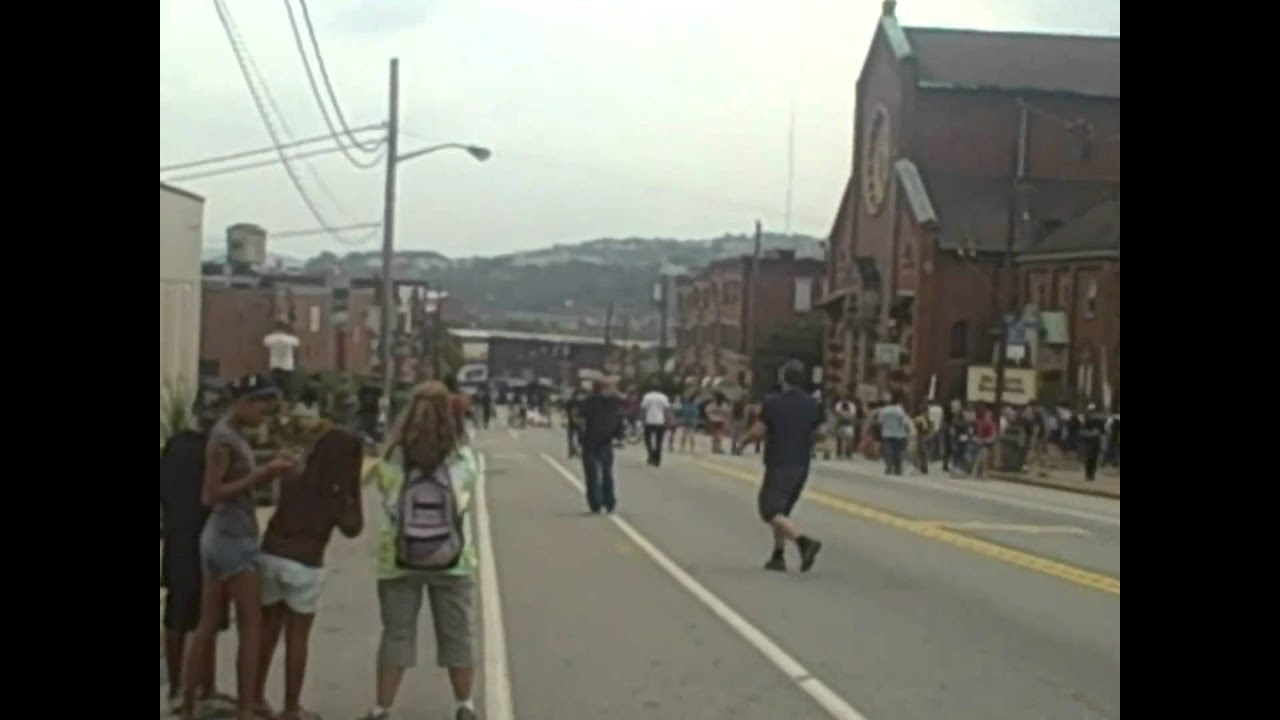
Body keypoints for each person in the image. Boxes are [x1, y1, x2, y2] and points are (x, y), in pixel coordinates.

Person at [358, 382, 481, 720]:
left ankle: (382, 707)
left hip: (398, 557)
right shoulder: (462, 457)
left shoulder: (392, 457)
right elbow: (464, 501)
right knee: (457, 634)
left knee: (396, 633)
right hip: (452, 558)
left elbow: (389, 501)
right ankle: (464, 705)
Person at [180, 374, 297, 720]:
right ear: (244, 402)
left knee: (208, 623)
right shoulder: (223, 440)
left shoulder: (231, 437)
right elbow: (211, 494)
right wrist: (263, 476)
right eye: (262, 407)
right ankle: (246, 708)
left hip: (221, 537)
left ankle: (189, 705)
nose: (265, 414)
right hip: (233, 539)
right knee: (251, 625)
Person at [253, 429, 364, 720]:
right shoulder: (335, 495)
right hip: (305, 564)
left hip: (271, 555)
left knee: (267, 632)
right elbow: (354, 529)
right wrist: (353, 489)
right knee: (297, 639)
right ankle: (290, 708)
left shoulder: (292, 479)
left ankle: (254, 697)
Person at [160, 392, 235, 718]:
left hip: (185, 536)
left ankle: (199, 688)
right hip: (194, 537)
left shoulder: (176, 446)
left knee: (203, 614)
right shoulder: (212, 448)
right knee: (190, 615)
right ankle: (186, 689)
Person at [741, 359, 824, 573]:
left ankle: (804, 542)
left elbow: (758, 431)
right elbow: (821, 434)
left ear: (782, 378)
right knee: (782, 513)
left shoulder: (772, 402)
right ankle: (778, 556)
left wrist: (742, 441)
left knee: (769, 510)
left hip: (779, 462)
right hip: (801, 463)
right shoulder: (812, 404)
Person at [580, 379, 624, 513]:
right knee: (607, 472)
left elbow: (581, 420)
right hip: (606, 440)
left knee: (592, 473)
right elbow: (618, 419)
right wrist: (619, 436)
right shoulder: (614, 402)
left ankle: (595, 503)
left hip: (590, 440)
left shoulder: (588, 402)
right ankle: (609, 501)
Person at [264, 321, 301, 402]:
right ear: (284, 329)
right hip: (287, 368)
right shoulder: (289, 339)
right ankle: (286, 407)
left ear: (275, 329)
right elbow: (297, 342)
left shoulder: (271, 339)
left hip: (275, 367)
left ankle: (276, 405)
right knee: (288, 390)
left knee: (274, 389)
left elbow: (265, 342)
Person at [877, 392, 909, 476]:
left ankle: (889, 467)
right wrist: (907, 432)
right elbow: (905, 422)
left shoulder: (884, 410)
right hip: (899, 434)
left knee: (888, 451)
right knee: (898, 452)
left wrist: (881, 431)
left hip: (887, 434)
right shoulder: (900, 410)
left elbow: (880, 422)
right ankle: (897, 468)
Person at [640, 385, 672, 467]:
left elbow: (643, 409)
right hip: (660, 421)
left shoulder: (647, 396)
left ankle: (650, 455)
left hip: (649, 421)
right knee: (659, 441)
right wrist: (668, 421)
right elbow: (667, 410)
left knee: (648, 440)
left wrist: (643, 420)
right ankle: (657, 460)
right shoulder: (663, 397)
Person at [1080, 403, 1108, 481]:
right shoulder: (1087, 420)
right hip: (1090, 441)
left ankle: (1091, 475)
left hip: (1095, 441)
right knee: (1090, 458)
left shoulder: (1098, 420)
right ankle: (1089, 474)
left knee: (1093, 458)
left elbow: (1103, 431)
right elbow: (1082, 431)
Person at [971, 407, 997, 478]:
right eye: (986, 415)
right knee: (980, 458)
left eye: (989, 415)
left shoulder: (991, 424)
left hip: (986, 445)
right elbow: (976, 433)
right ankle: (980, 473)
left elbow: (993, 436)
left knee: (982, 458)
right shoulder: (980, 422)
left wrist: (986, 440)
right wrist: (977, 439)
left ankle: (979, 473)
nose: (987, 416)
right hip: (980, 443)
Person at [565, 386, 586, 458]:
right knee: (578, 437)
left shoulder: (571, 402)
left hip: (576, 422)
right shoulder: (583, 402)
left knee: (573, 437)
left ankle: (573, 450)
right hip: (578, 422)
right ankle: (573, 450)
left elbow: (567, 411)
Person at [912, 405, 932, 475]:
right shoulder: (921, 418)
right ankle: (923, 467)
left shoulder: (919, 418)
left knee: (921, 452)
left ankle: (922, 467)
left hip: (920, 436)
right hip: (922, 436)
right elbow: (925, 428)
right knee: (923, 452)